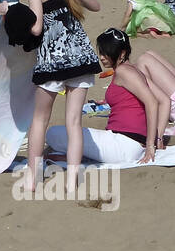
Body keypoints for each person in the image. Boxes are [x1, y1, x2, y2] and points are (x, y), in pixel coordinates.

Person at [11, 0, 102, 196]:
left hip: (53, 58)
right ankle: (73, 182)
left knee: (40, 119)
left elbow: (37, 27)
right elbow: (95, 5)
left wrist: (12, 16)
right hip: (81, 56)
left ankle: (31, 180)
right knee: (74, 121)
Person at [65, 29, 169, 165]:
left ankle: (69, 155)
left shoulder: (123, 72)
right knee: (74, 135)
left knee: (54, 134)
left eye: (107, 53)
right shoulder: (135, 71)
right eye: (101, 52)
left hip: (122, 145)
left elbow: (152, 103)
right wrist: (158, 138)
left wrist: (151, 145)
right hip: (132, 145)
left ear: (122, 54)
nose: (102, 57)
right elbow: (165, 101)